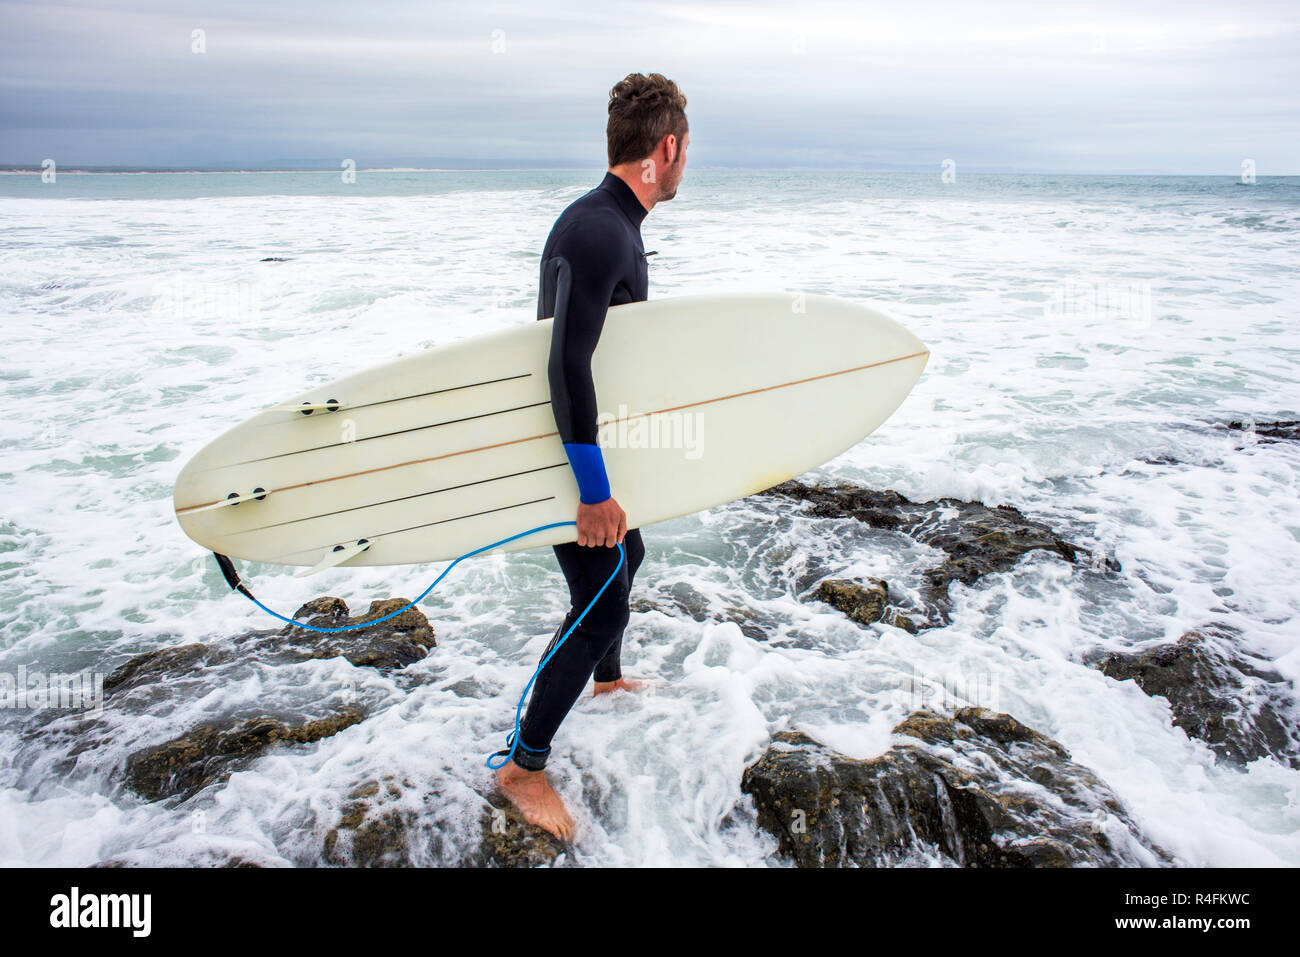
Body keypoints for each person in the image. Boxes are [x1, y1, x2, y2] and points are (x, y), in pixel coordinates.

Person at [495, 72, 689, 841]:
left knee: (625, 555)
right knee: (604, 599)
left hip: (574, 440)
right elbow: (565, 365)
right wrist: (592, 487)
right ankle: (523, 767)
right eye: (685, 152)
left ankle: (605, 682)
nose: (684, 166)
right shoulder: (600, 230)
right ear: (666, 148)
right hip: (563, 450)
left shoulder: (610, 222)